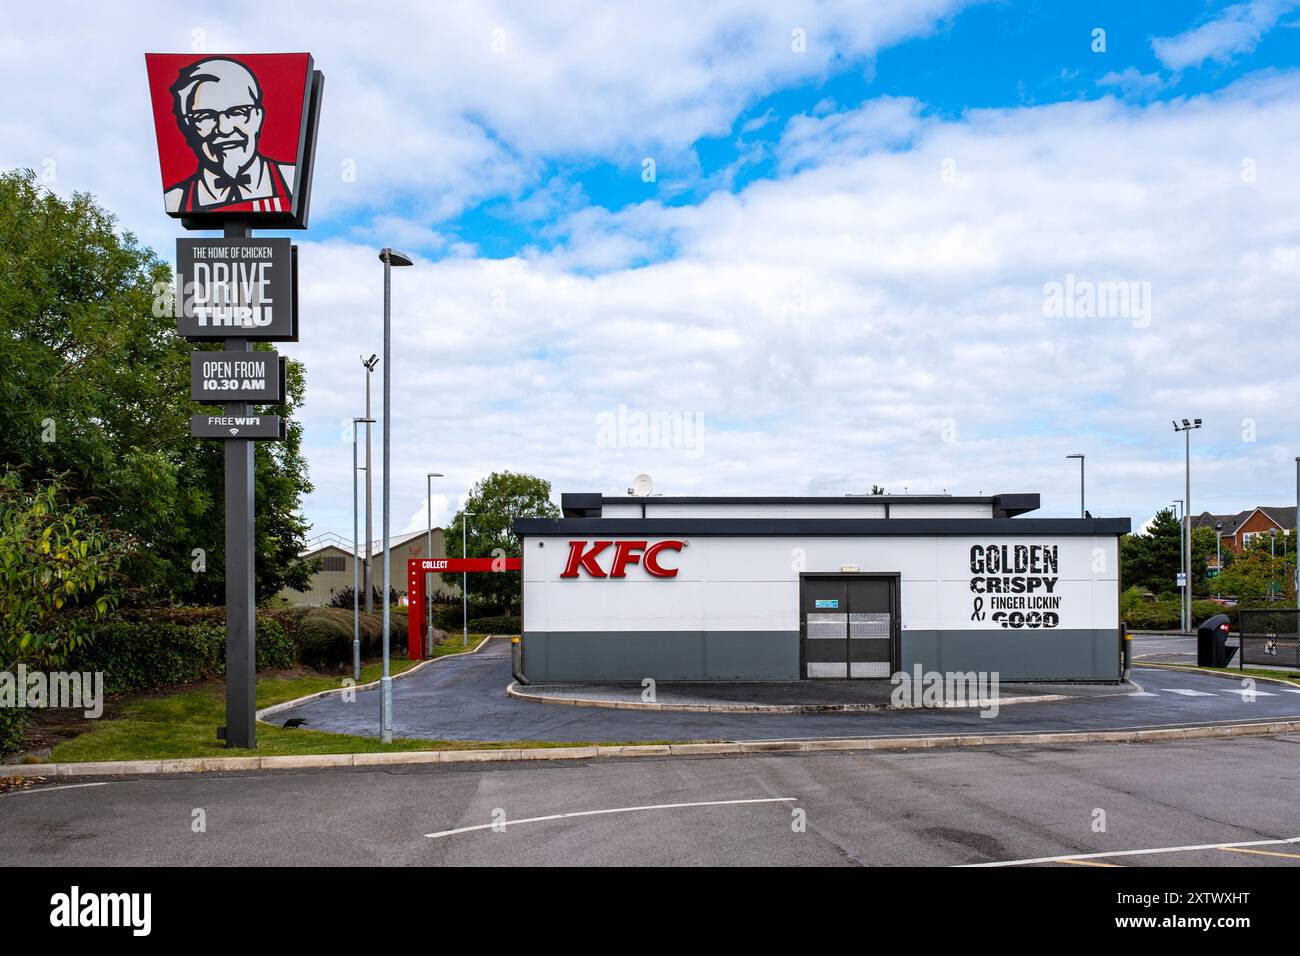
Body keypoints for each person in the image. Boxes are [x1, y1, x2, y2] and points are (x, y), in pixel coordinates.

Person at [164, 57, 295, 214]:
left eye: (238, 112)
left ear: (258, 117)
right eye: (205, 116)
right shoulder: (176, 199)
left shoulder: (292, 181)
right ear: (187, 127)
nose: (224, 129)